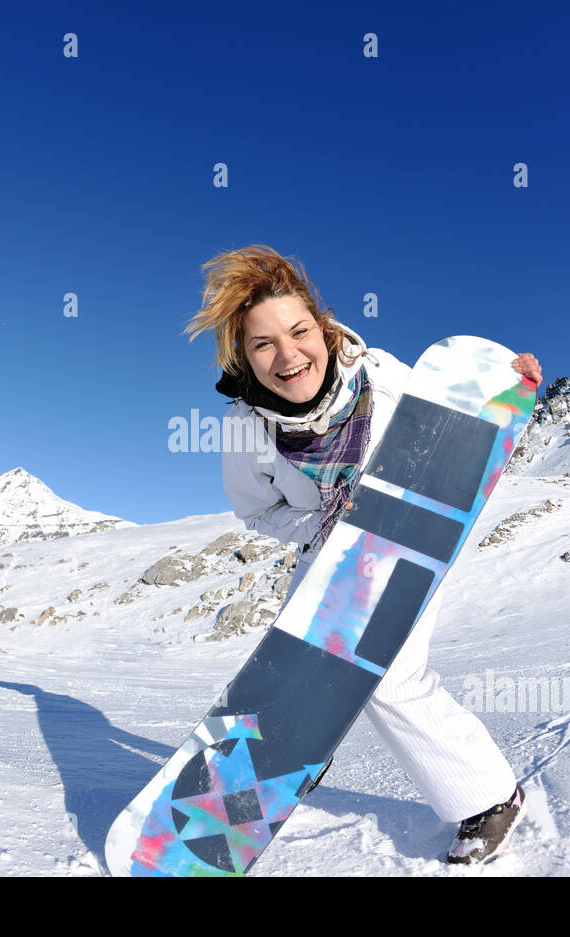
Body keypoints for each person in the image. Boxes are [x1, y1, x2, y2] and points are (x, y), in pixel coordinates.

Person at [184, 244, 543, 865]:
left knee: (390, 677)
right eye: (263, 344)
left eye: (298, 332)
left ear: (320, 329)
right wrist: (320, 523)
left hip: (406, 543)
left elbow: (460, 426)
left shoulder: (383, 377)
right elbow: (257, 512)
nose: (288, 354)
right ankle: (288, 767)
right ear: (243, 356)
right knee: (291, 673)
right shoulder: (246, 429)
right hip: (325, 550)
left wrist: (508, 387)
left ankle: (490, 798)